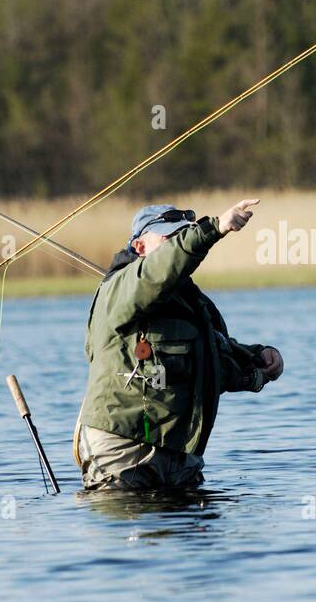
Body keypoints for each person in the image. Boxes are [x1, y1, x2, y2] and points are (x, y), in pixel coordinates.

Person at [75, 199, 284, 490]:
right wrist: (213, 229)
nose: (180, 244)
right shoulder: (122, 287)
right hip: (123, 453)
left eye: (183, 234)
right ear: (140, 248)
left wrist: (258, 361)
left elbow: (211, 364)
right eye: (170, 238)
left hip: (178, 454)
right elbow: (158, 270)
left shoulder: (192, 303)